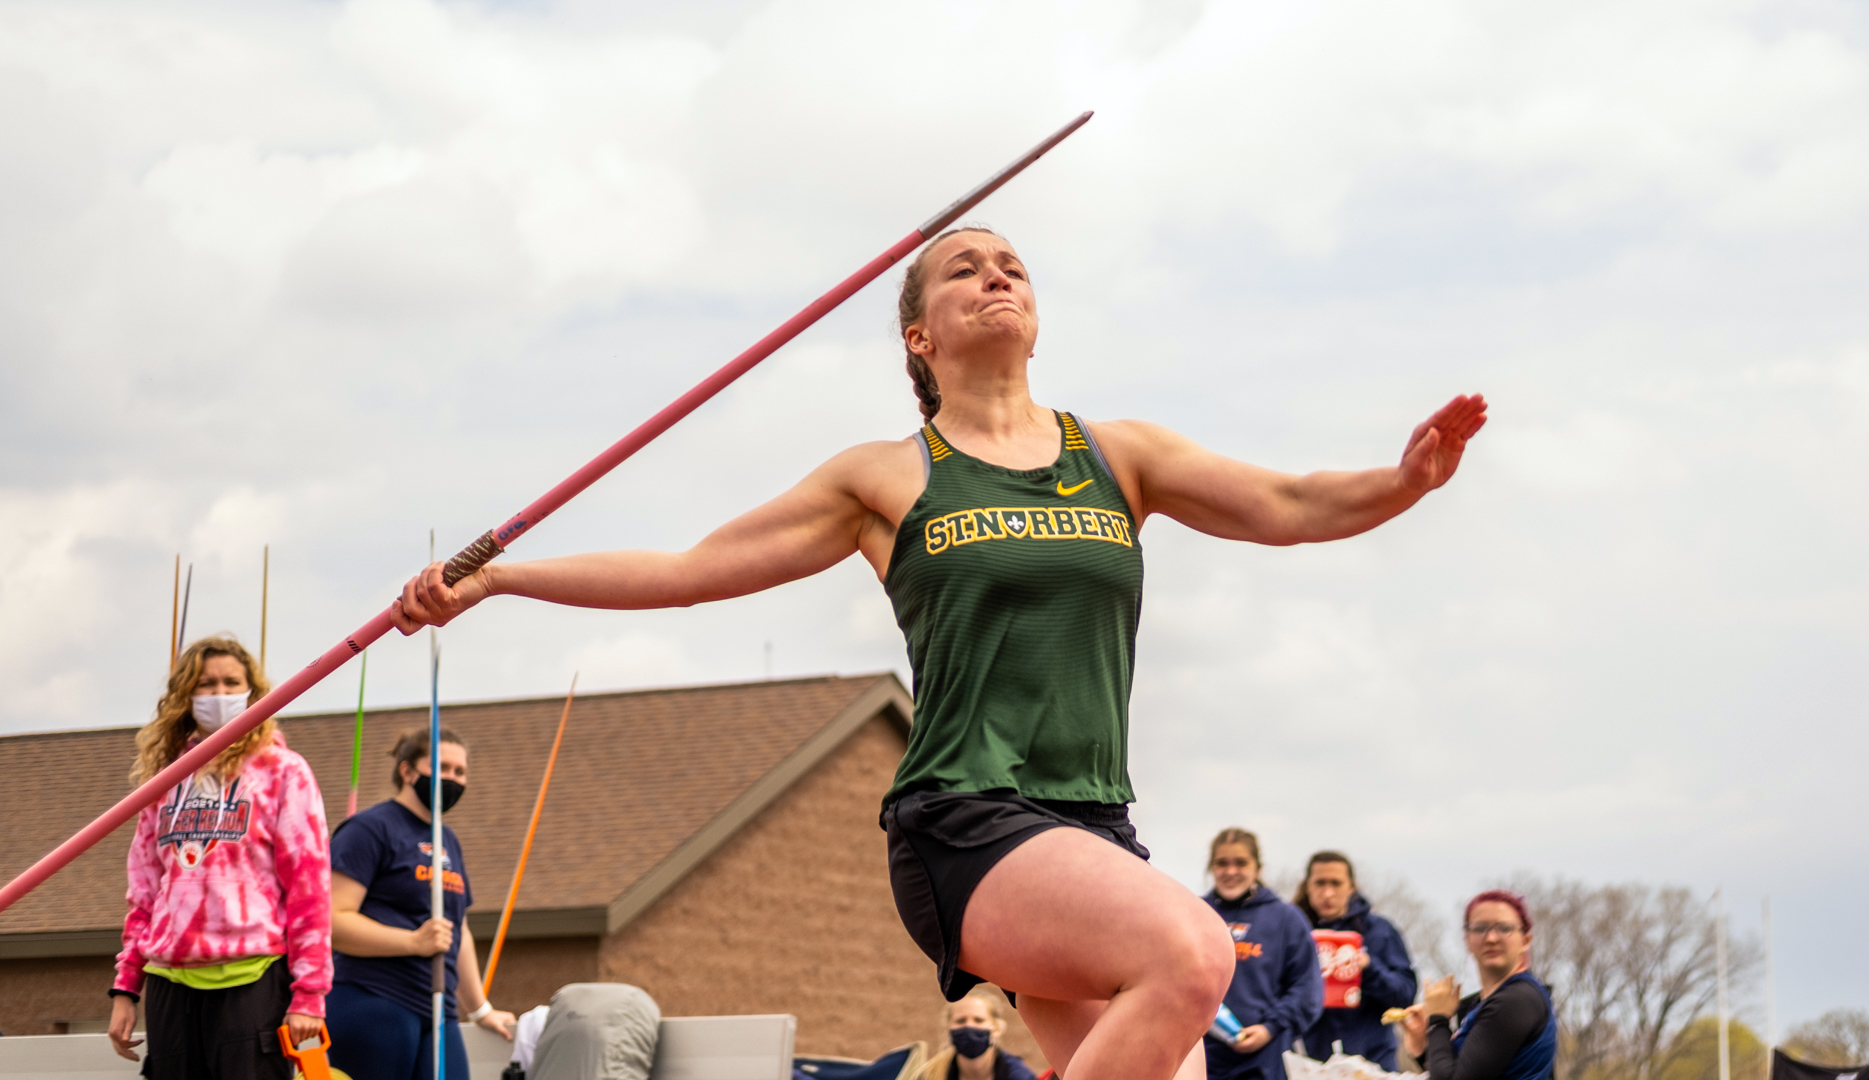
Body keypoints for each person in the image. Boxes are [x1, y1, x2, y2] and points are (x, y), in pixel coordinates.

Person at [392, 226, 1487, 1080]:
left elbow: (1289, 503)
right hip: (965, 820)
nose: (995, 277)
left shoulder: (1119, 456)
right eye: (964, 272)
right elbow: (687, 567)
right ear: (920, 335)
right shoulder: (886, 478)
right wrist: (497, 579)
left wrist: (1403, 484)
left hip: (1091, 824)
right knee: (1194, 956)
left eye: (1013, 265)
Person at [107, 636, 332, 1080]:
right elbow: (145, 894)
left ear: (252, 692)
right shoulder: (164, 779)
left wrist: (309, 995)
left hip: (252, 978)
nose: (220, 693)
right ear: (185, 698)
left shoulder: (283, 771)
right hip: (171, 983)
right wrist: (125, 988)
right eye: (206, 684)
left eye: (232, 683)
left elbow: (309, 890)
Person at [326, 728, 516, 1080]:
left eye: (460, 771)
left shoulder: (448, 841)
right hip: (374, 1001)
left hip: (439, 1010)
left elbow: (457, 931)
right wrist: (412, 941)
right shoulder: (369, 829)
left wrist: (480, 1009)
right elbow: (333, 921)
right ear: (407, 771)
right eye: (442, 767)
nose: (452, 778)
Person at [1200, 829, 1321, 1080]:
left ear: (1257, 868)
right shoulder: (1195, 913)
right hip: (1201, 1058)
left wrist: (1270, 1028)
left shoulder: (1286, 918)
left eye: (1241, 863)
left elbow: (1307, 989)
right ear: (1211, 867)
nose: (1231, 871)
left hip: (1265, 1061)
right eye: (1222, 863)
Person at [1398, 891, 1556, 1080]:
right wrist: (1424, 1047)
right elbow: (1458, 1071)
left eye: (1504, 928)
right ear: (1467, 940)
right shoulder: (1483, 1004)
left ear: (1525, 940)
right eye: (1480, 928)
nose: (1491, 938)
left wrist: (1437, 1022)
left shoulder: (1516, 1001)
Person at [1295, 851, 1418, 1070]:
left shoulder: (1379, 931)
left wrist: (1368, 968)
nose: (1328, 893)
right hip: (1313, 1064)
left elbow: (1405, 995)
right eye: (1320, 883)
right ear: (1307, 887)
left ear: (1351, 887)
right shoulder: (1295, 932)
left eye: (1336, 883)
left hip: (1373, 1063)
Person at [915, 989, 1039, 1080]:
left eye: (979, 1020)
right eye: (961, 1020)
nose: (969, 1026)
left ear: (996, 1029)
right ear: (948, 1028)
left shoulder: (1019, 1076)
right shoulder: (931, 1075)